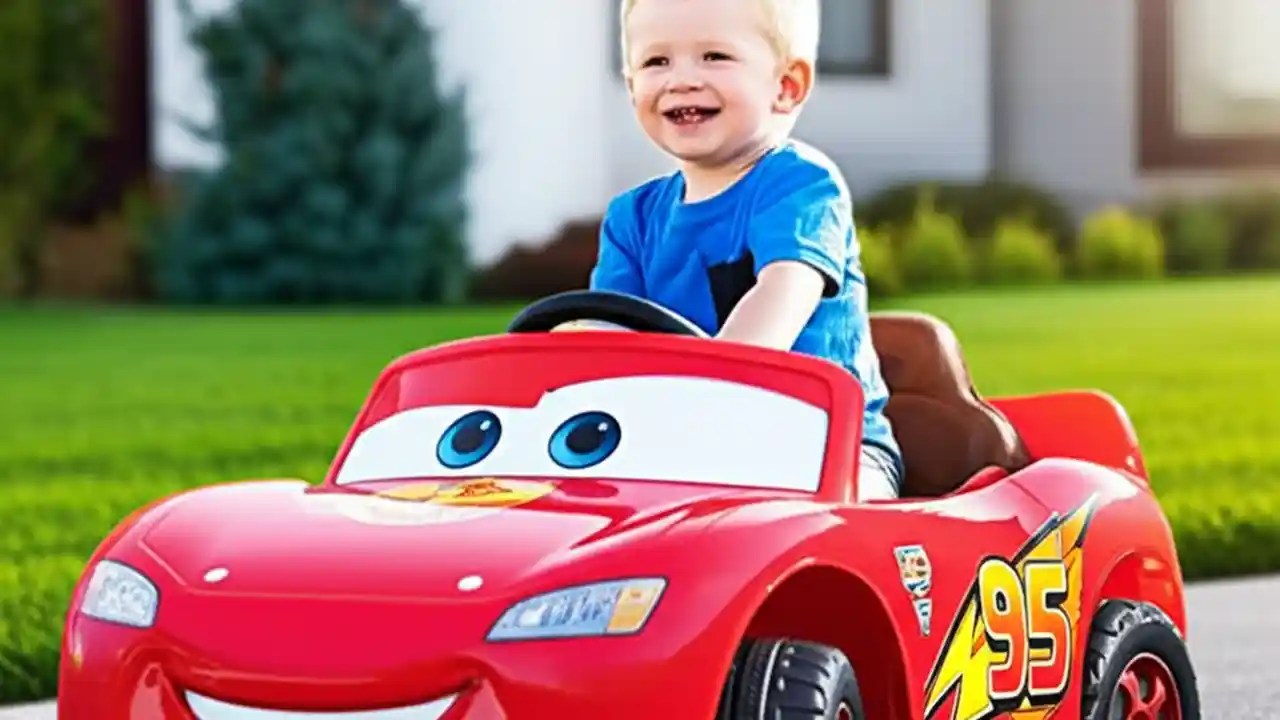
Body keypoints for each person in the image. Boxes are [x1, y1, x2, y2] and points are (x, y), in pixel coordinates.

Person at [588, 0, 904, 500]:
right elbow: (606, 340)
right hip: (679, 450)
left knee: (792, 521)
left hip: (826, 445)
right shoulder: (632, 219)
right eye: (656, 62)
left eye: (714, 56)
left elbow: (785, 292)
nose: (682, 79)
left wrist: (711, 395)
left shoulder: (799, 186)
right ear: (632, 88)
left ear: (786, 85)